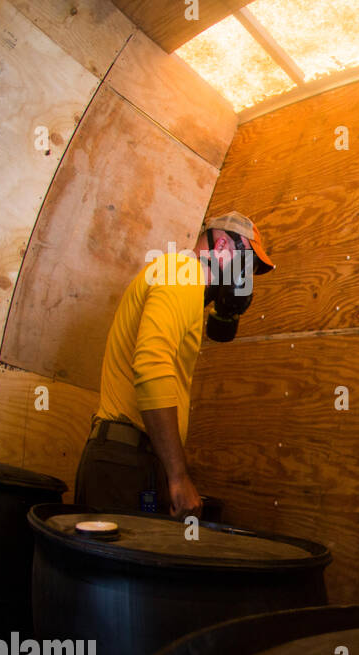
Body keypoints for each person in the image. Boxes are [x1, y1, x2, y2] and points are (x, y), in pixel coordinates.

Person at [74, 212, 274, 518]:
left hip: (135, 457)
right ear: (222, 246)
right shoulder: (184, 273)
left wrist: (227, 311)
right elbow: (151, 367)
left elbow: (210, 339)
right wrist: (179, 476)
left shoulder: (182, 280)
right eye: (246, 264)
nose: (244, 279)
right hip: (125, 459)